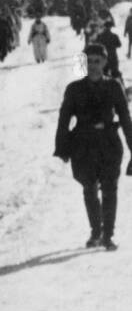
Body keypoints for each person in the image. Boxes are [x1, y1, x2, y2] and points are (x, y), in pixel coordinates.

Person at [55, 43, 132, 249]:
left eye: (97, 61)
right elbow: (63, 120)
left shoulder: (114, 86)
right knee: (89, 189)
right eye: (89, 61)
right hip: (83, 145)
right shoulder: (74, 89)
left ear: (105, 62)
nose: (93, 66)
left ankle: (108, 235)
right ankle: (95, 231)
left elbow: (125, 119)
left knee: (110, 189)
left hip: (108, 144)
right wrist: (62, 147)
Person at [95, 18, 123, 82]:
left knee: (104, 73)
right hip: (113, 57)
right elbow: (119, 45)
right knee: (115, 73)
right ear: (111, 28)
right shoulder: (114, 36)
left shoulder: (100, 36)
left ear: (104, 27)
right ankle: (121, 87)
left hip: (104, 57)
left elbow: (96, 44)